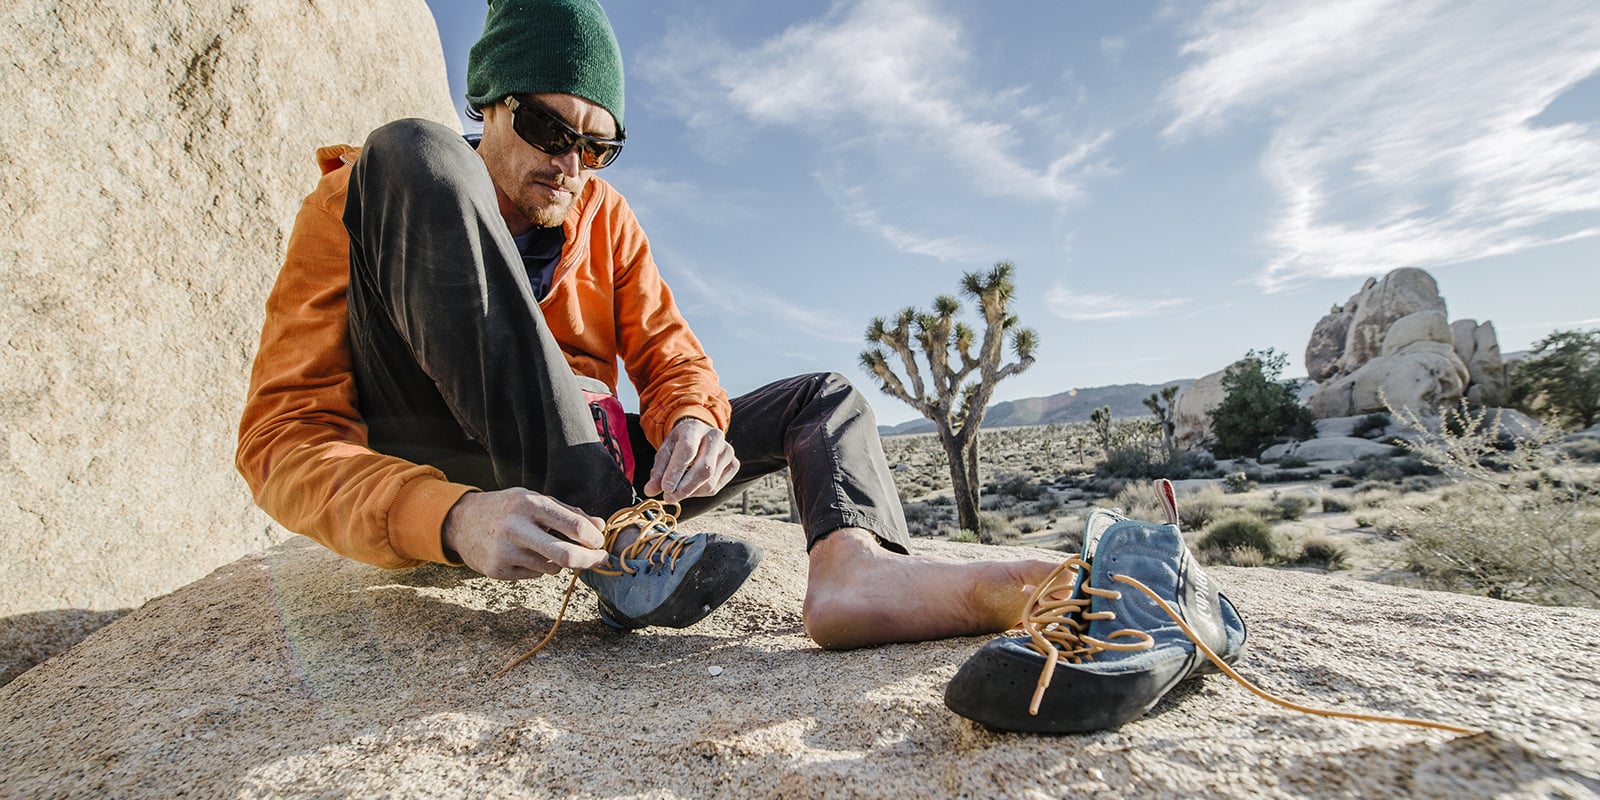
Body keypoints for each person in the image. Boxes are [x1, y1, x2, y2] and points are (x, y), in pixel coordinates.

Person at [237, 0, 1058, 648]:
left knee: (825, 397)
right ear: (487, 104)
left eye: (599, 145)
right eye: (548, 130)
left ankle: (858, 573)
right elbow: (280, 439)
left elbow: (671, 357)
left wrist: (694, 420)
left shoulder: (604, 216)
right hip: (455, 459)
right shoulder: (362, 200)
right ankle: (622, 549)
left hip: (604, 482)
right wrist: (449, 518)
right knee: (409, 149)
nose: (571, 164)